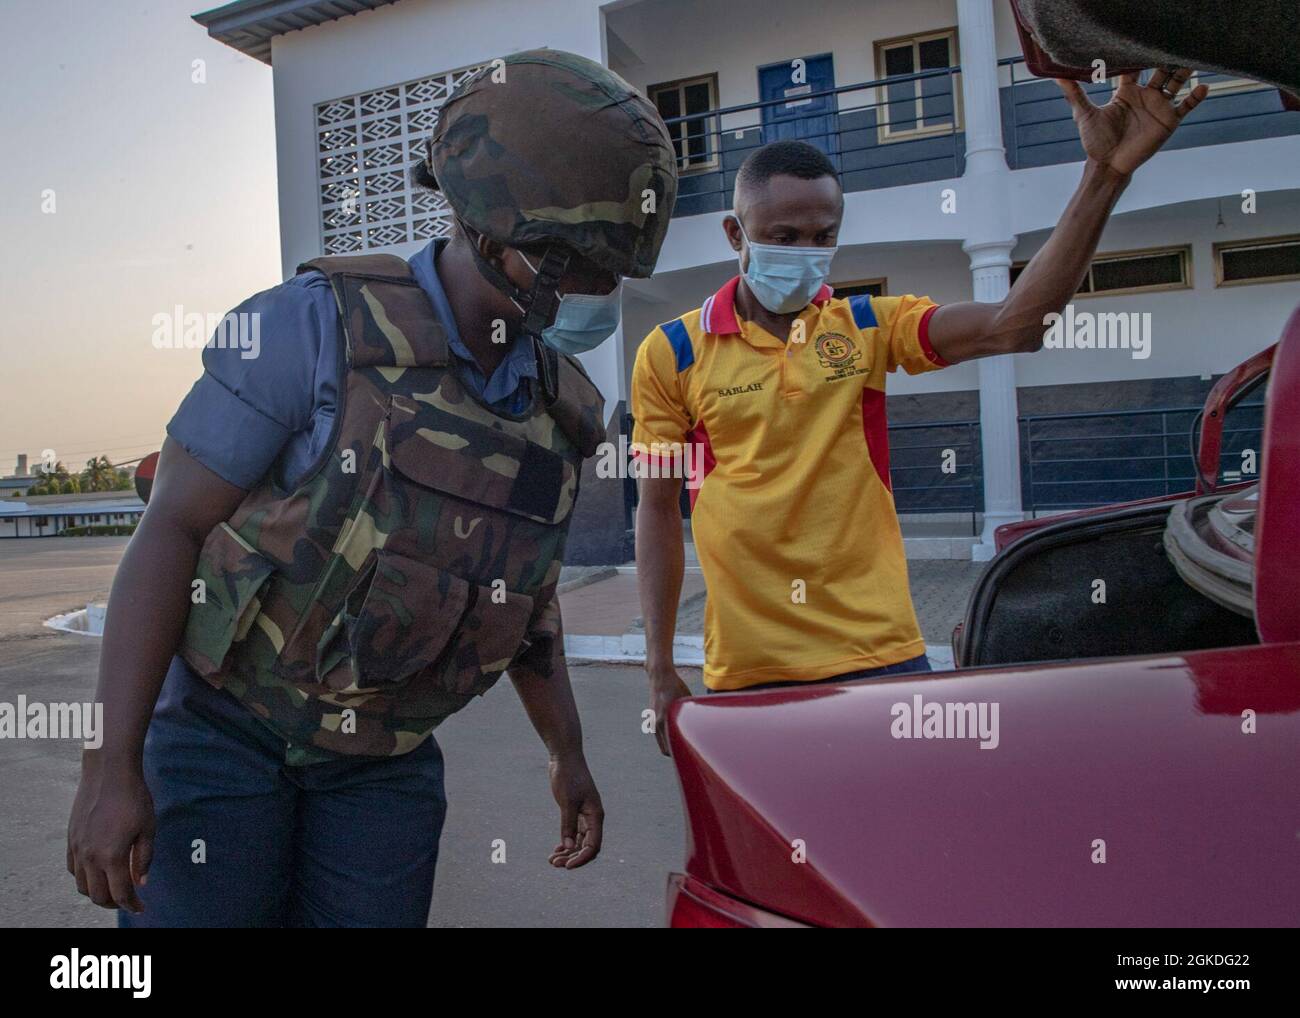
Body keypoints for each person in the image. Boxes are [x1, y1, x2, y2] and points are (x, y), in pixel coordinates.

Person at [66, 49, 678, 925]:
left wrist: (566, 752)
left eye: (617, 271)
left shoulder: (563, 411)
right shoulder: (312, 327)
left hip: (383, 764)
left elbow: (525, 599)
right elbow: (170, 529)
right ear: (499, 238)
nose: (601, 294)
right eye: (582, 263)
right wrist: (109, 765)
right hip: (222, 738)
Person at [633, 69, 1206, 752]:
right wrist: (661, 666)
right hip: (748, 673)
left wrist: (1104, 176)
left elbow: (1014, 325)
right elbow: (658, 510)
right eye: (784, 235)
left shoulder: (869, 326)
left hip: (882, 656)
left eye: (823, 237)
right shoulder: (671, 353)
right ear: (736, 233)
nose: (808, 255)